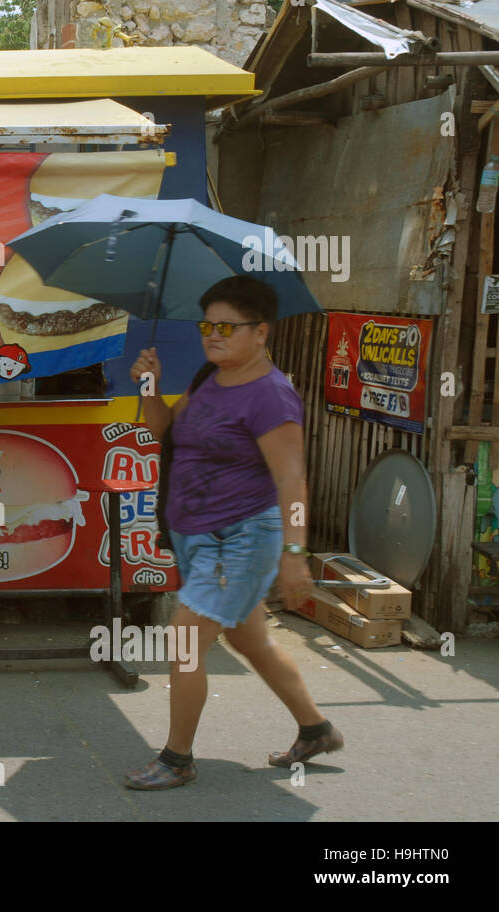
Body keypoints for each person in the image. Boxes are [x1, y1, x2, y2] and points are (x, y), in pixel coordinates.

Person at [123, 276, 337, 791]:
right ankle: (316, 729)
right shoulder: (209, 377)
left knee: (185, 639)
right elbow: (164, 432)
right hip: (198, 537)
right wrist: (149, 386)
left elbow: (292, 478)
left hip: (242, 538)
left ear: (260, 332)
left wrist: (293, 553)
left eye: (226, 327)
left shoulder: (272, 395)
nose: (212, 336)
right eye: (206, 325)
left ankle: (177, 759)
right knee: (252, 641)